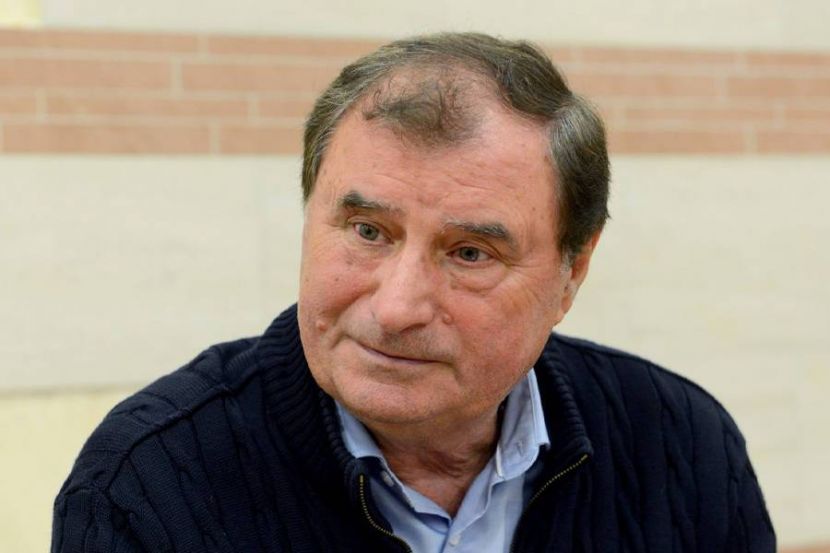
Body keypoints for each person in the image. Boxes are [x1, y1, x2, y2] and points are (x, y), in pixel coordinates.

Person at [52, 33, 775, 552]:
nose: (397, 308)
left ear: (572, 274)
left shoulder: (683, 445)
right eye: (368, 231)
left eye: (469, 253)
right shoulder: (147, 485)